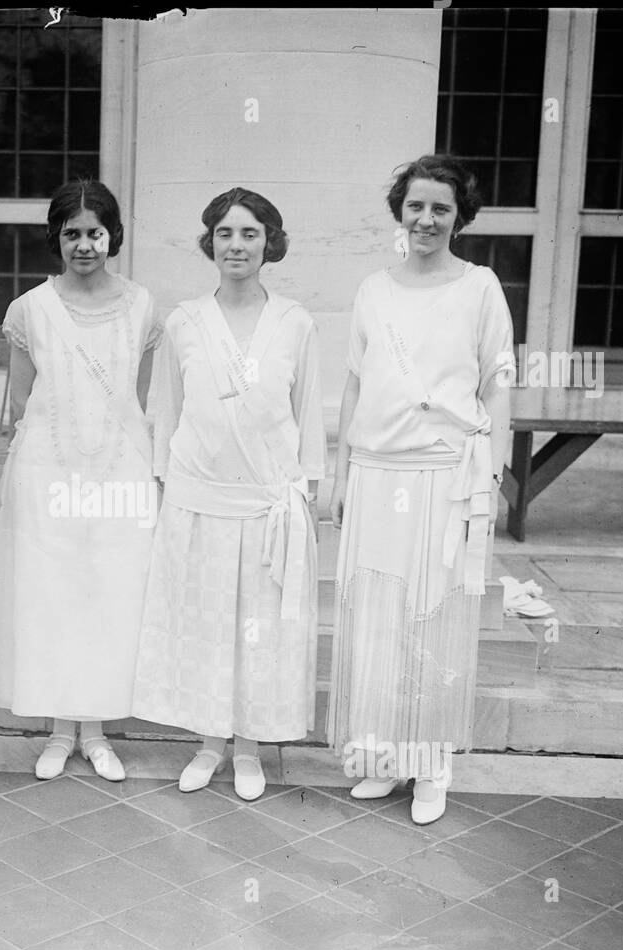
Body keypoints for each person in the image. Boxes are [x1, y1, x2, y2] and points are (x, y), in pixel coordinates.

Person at [327, 154, 514, 825]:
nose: (427, 219)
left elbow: (498, 381)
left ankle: (430, 763)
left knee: (432, 618)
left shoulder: (480, 287)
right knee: (378, 619)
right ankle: (386, 758)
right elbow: (353, 381)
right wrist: (343, 469)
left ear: (460, 214)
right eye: (416, 206)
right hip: (379, 472)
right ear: (399, 213)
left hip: (444, 477)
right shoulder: (375, 288)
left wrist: (490, 474)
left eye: (440, 207)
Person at [132, 188, 325, 801]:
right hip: (200, 500)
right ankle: (210, 742)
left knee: (258, 632)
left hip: (266, 502)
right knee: (210, 628)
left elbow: (307, 414)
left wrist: (308, 489)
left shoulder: (295, 322)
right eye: (224, 233)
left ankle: (248, 748)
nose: (236, 245)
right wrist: (165, 485)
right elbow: (164, 411)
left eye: (249, 233)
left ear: (270, 242)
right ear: (209, 242)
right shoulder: (185, 321)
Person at [0, 179, 163, 781]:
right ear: (56, 239)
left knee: (106, 598)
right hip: (48, 473)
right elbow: (19, 400)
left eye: (95, 232)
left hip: (118, 475)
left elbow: (138, 403)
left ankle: (96, 732)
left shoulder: (142, 307)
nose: (84, 245)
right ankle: (59, 731)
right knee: (53, 596)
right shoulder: (30, 309)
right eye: (72, 233)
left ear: (112, 235)